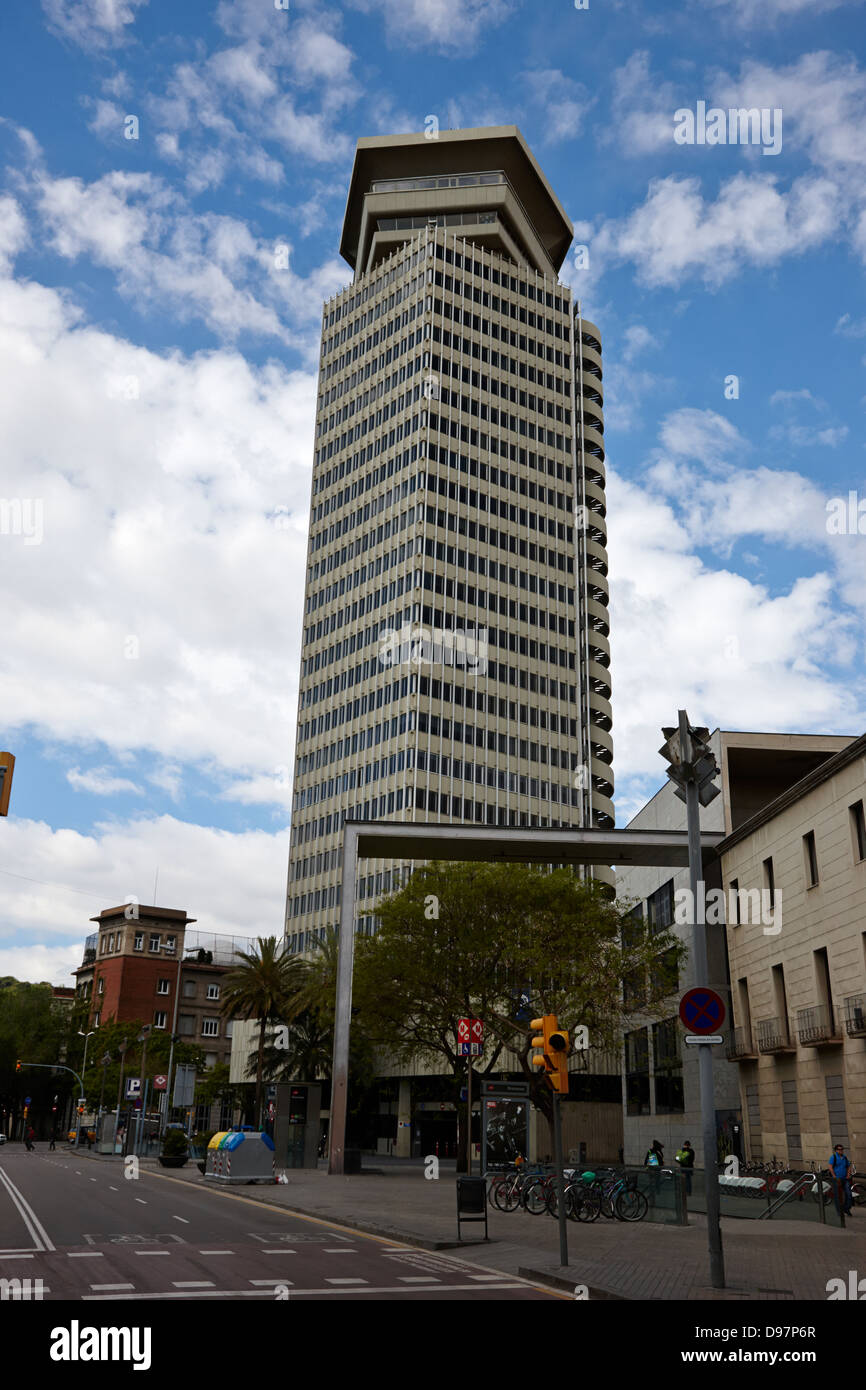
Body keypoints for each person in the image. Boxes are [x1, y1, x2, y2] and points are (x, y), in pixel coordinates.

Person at [828, 1143, 853, 1216]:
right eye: (839, 1149)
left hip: (845, 1179)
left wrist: (848, 1175)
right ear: (836, 1150)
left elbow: (848, 1166)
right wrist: (834, 1176)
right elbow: (830, 1167)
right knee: (837, 1196)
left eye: (842, 1149)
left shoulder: (845, 1158)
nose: (841, 1151)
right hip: (837, 1179)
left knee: (849, 1194)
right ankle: (839, 1211)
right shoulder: (833, 1157)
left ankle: (846, 1208)